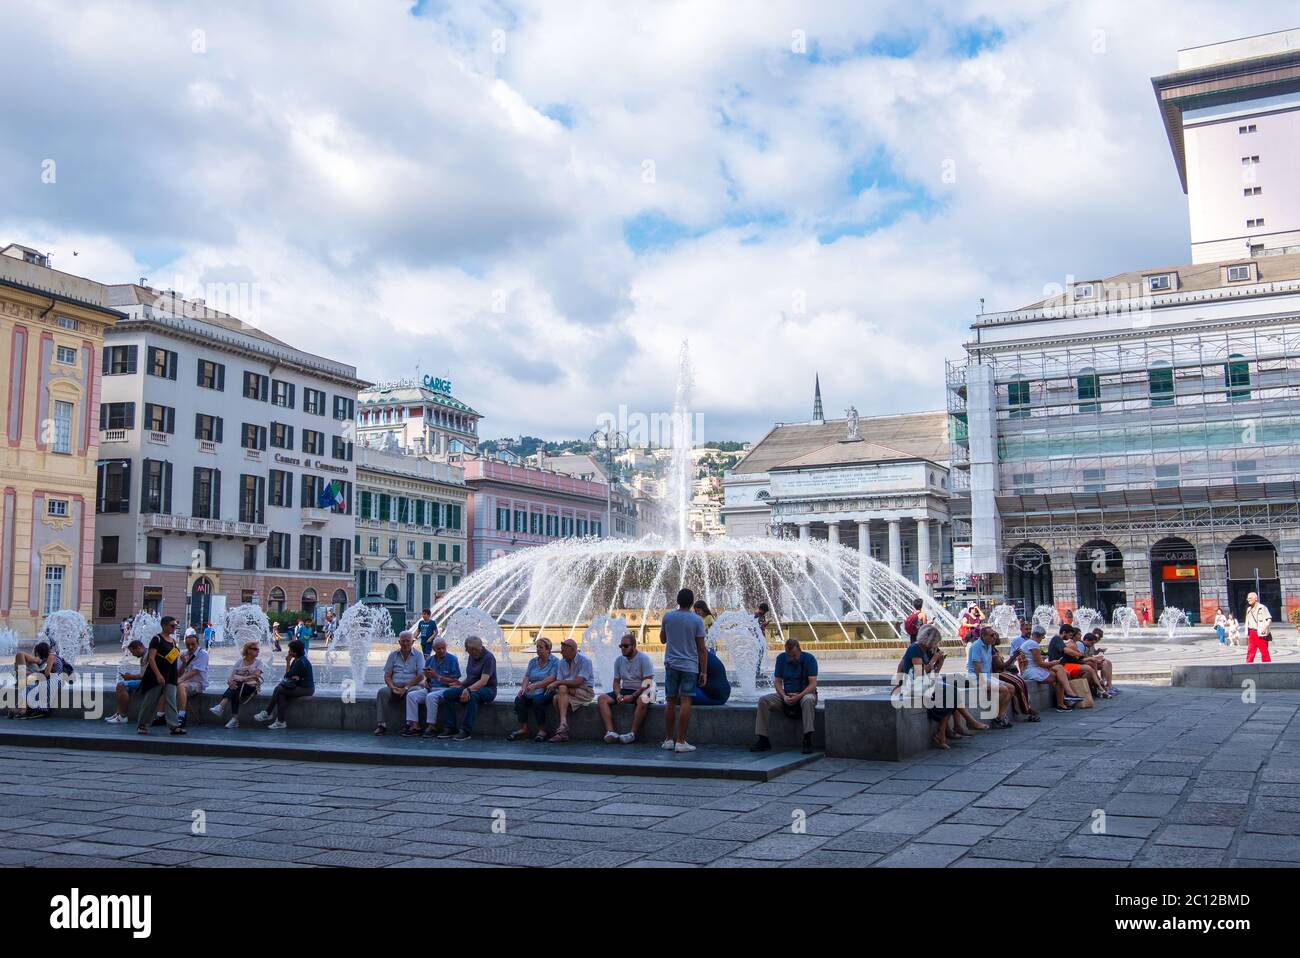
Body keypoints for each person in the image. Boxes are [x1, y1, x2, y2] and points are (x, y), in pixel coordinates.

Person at [751, 638, 819, 754]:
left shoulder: (809, 659)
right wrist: (783, 696)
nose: (791, 658)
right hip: (786, 695)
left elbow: (812, 684)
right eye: (789, 655)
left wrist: (798, 696)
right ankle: (763, 740)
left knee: (808, 700)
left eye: (794, 655)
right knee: (763, 700)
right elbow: (777, 682)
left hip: (805, 694)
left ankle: (807, 739)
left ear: (799, 650)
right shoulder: (781, 659)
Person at [661, 588, 707, 753]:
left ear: (678, 600)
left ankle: (668, 739)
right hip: (689, 666)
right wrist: (704, 671)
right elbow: (701, 649)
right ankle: (680, 741)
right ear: (692, 602)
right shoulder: (697, 620)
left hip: (671, 665)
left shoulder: (668, 617)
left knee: (670, 701)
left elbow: (662, 639)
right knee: (686, 701)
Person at [597, 633, 655, 743]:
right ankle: (610, 732)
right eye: (621, 646)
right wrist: (618, 694)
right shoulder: (619, 660)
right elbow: (616, 682)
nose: (622, 648)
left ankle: (632, 733)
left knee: (643, 699)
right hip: (626, 689)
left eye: (626, 646)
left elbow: (648, 682)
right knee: (602, 699)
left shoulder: (644, 659)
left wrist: (633, 696)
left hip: (644, 689)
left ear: (633, 646)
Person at [438, 635, 496, 741]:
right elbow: (471, 678)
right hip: (471, 687)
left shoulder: (489, 657)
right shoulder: (472, 656)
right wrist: (461, 685)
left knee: (472, 696)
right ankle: (450, 727)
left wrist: (468, 690)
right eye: (471, 651)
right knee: (448, 694)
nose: (473, 652)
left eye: (476, 650)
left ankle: (466, 731)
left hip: (488, 690)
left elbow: (484, 681)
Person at [136, 616, 184, 736]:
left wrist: (183, 660)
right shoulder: (156, 639)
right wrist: (158, 675)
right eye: (172, 626)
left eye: (175, 626)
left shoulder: (173, 641)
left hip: (171, 675)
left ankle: (174, 726)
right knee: (150, 700)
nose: (174, 628)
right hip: (157, 675)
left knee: (171, 700)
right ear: (164, 625)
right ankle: (142, 724)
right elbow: (151, 659)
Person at [1020, 624, 1082, 713]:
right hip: (1031, 671)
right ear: (1038, 635)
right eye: (1042, 637)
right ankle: (1065, 698)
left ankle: (1065, 699)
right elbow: (1040, 664)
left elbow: (1035, 661)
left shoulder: (1028, 643)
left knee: (1060, 670)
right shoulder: (1033, 644)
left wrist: (1050, 662)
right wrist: (1053, 663)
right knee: (1059, 674)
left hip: (1030, 669)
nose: (1042, 639)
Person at [255, 638, 314, 729]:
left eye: (290, 650)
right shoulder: (298, 659)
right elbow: (289, 676)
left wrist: (287, 662)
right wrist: (292, 671)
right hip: (299, 686)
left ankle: (268, 712)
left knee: (279, 689)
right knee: (281, 695)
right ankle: (280, 722)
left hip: (306, 689)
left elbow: (286, 676)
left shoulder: (300, 662)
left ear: (295, 652)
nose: (289, 652)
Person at [375, 631, 425, 735]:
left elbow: (421, 675)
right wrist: (392, 687)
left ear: (413, 642)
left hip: (412, 686)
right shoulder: (393, 655)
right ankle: (381, 724)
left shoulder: (419, 655)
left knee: (413, 693)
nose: (405, 644)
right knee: (382, 692)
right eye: (403, 641)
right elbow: (387, 675)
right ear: (399, 642)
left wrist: (406, 688)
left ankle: (410, 724)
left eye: (408, 641)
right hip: (395, 686)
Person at [509, 637, 559, 742]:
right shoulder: (533, 661)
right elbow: (527, 676)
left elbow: (552, 678)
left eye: (541, 647)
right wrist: (523, 688)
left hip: (548, 689)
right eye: (537, 647)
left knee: (538, 701)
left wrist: (536, 686)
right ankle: (524, 729)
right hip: (533, 688)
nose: (538, 649)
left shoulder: (555, 661)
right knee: (520, 698)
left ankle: (542, 730)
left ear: (548, 649)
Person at [410, 637, 461, 737]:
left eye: (443, 648)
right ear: (434, 649)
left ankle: (431, 726)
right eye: (438, 649)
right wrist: (426, 682)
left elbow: (456, 681)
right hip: (431, 688)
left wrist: (437, 677)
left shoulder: (452, 659)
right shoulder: (430, 660)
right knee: (411, 696)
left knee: (431, 696)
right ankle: (414, 725)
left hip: (445, 689)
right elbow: (426, 677)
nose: (441, 650)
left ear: (446, 647)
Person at [157, 630, 208, 727]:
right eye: (188, 644)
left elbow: (194, 672)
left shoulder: (203, 654)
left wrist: (179, 680)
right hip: (182, 681)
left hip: (197, 684)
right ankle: (160, 715)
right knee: (166, 686)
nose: (190, 647)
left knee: (181, 686)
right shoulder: (182, 653)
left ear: (198, 643)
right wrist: (184, 664)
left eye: (193, 644)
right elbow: (178, 673)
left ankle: (181, 715)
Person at [549, 638, 595, 742]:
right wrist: (558, 683)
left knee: (559, 694)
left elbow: (578, 682)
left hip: (585, 692)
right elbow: (561, 682)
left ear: (573, 650)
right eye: (561, 650)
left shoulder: (585, 661)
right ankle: (563, 726)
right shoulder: (561, 663)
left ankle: (562, 730)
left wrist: (557, 683)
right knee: (556, 697)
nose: (561, 652)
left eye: (564, 650)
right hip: (567, 692)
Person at [967, 626, 1013, 729]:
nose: (995, 637)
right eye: (992, 635)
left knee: (1012, 688)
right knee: (1004, 690)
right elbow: (976, 667)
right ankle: (998, 718)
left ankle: (1000, 715)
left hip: (987, 676)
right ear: (983, 636)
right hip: (976, 677)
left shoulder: (989, 646)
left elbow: (988, 665)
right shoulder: (976, 646)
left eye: (995, 635)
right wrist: (984, 682)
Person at [209, 641, 264, 728]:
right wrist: (230, 681)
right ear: (248, 650)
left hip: (251, 687)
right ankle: (233, 719)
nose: (258, 651)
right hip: (239, 686)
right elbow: (230, 677)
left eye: (258, 649)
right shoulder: (240, 662)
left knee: (236, 686)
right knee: (235, 689)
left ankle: (221, 707)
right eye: (255, 649)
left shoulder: (259, 662)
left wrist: (242, 678)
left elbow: (256, 676)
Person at [11, 641, 68, 718]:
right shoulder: (53, 656)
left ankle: (24, 710)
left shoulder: (51, 657)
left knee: (30, 688)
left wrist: (36, 674)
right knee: (30, 688)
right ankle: (28, 709)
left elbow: (47, 673)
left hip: (54, 681)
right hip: (55, 681)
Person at [106, 638, 147, 723]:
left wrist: (130, 677)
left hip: (148, 683)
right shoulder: (144, 656)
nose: (133, 655)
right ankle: (119, 713)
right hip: (146, 682)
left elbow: (146, 677)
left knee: (121, 685)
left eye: (133, 652)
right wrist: (130, 676)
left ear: (139, 648)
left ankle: (122, 716)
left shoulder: (148, 656)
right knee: (120, 685)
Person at [1244, 591, 1273, 663]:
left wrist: (1265, 627)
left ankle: (1267, 666)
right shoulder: (1248, 609)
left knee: (1264, 651)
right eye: (1248, 598)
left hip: (1260, 633)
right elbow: (1247, 622)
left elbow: (1269, 619)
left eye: (1250, 598)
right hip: (1252, 633)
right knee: (1250, 651)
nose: (1248, 600)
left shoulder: (1262, 607)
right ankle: (1248, 666)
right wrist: (1247, 633)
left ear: (1256, 598)